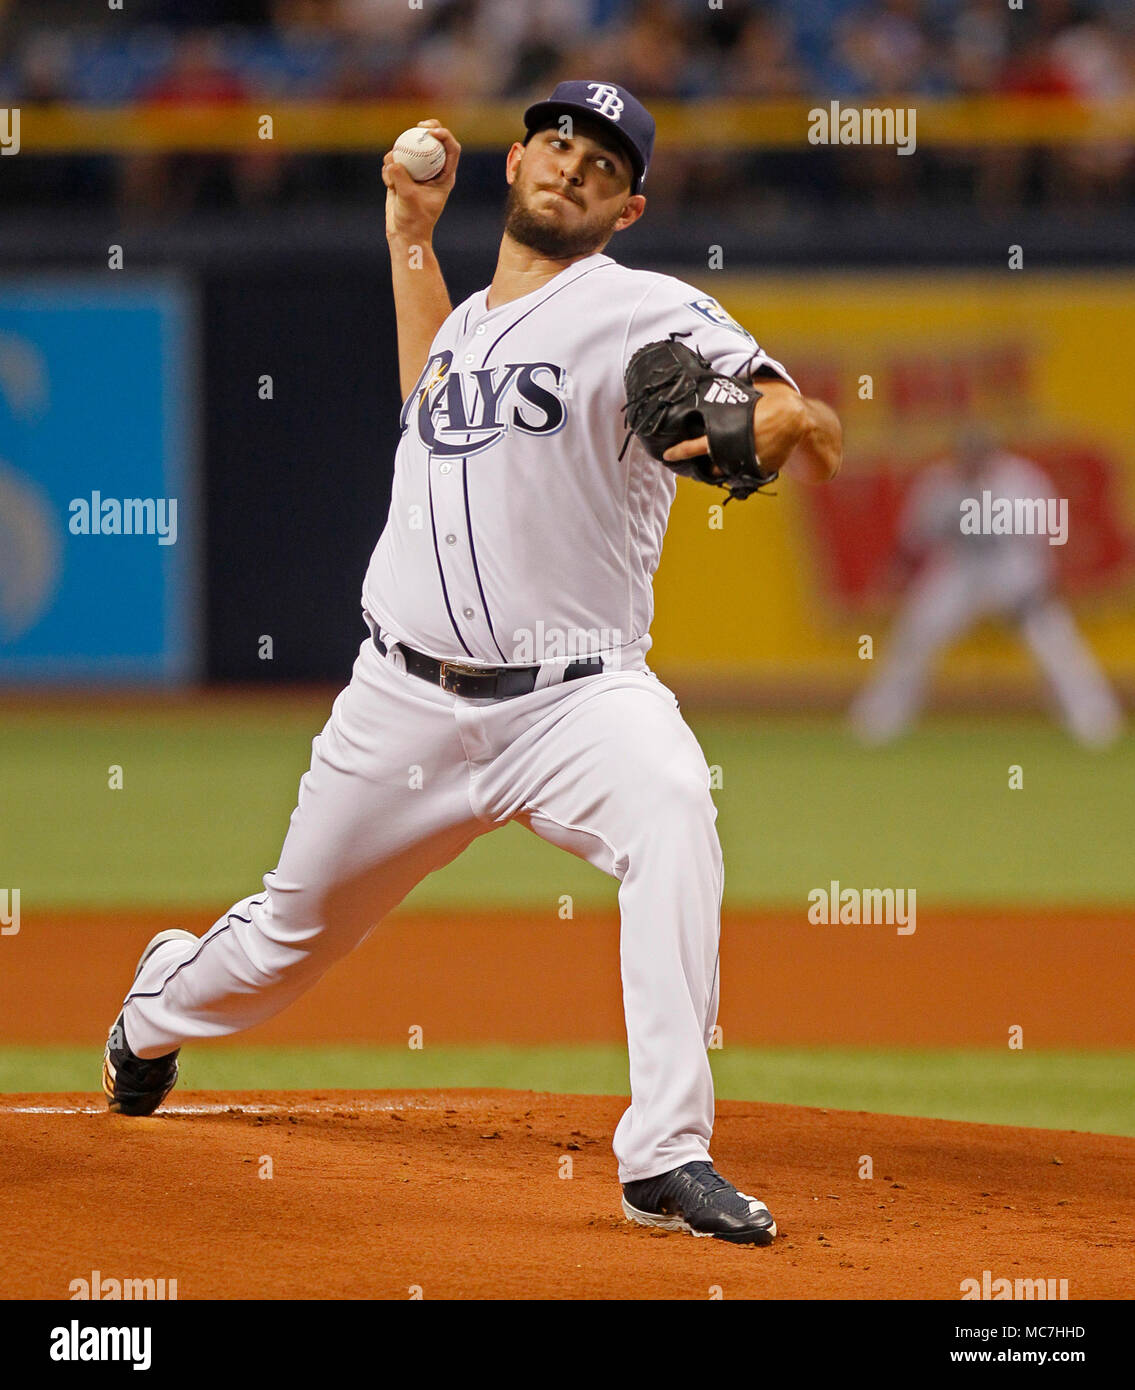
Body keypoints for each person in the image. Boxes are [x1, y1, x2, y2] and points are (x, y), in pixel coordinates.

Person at [103, 80, 842, 1245]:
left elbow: (750, 402)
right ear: (515, 161)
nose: (574, 163)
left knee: (672, 806)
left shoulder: (644, 308)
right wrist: (407, 233)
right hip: (400, 702)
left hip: (577, 700)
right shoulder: (463, 331)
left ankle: (664, 1154)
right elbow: (427, 398)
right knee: (282, 946)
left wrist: (783, 417)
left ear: (628, 209)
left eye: (604, 163)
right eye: (558, 140)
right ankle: (152, 1013)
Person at [850, 426, 1123, 746]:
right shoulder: (938, 483)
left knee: (1054, 641)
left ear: (993, 455)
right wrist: (895, 575)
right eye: (966, 455)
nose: (972, 462)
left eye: (979, 455)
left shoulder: (1020, 480)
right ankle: (879, 720)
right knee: (915, 635)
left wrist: (1044, 583)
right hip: (958, 571)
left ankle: (1095, 720)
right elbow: (914, 539)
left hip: (1013, 570)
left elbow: (1048, 538)